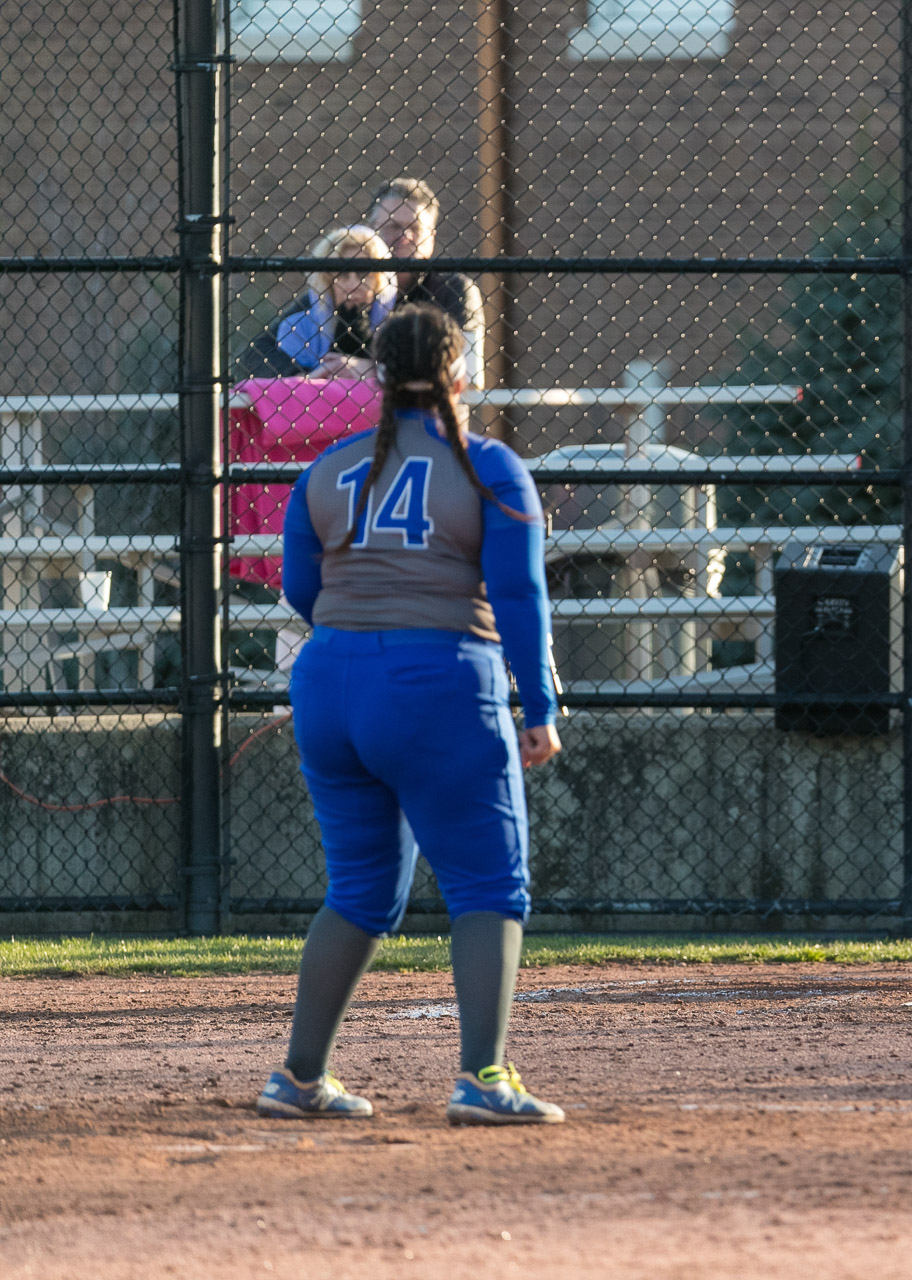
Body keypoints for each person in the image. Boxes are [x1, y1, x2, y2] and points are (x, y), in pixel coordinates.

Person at [255, 304, 564, 1126]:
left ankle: (297, 1077)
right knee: (489, 885)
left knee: (357, 891)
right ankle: (484, 1078)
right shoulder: (489, 465)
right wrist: (540, 704)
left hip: (330, 683)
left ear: (379, 379)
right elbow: (521, 598)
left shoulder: (328, 466)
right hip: (438, 679)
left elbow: (300, 589)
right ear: (461, 375)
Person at [367, 177, 486, 388]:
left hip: (433, 415)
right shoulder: (348, 283)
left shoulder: (455, 289)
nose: (404, 236)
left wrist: (370, 370)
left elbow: (469, 374)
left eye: (415, 228)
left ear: (431, 237)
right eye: (392, 226)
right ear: (371, 231)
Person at [241, 224, 397, 380]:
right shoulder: (298, 329)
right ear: (327, 280)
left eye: (363, 273)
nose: (353, 284)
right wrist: (310, 379)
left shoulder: (399, 328)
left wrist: (371, 368)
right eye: (342, 274)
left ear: (380, 279)